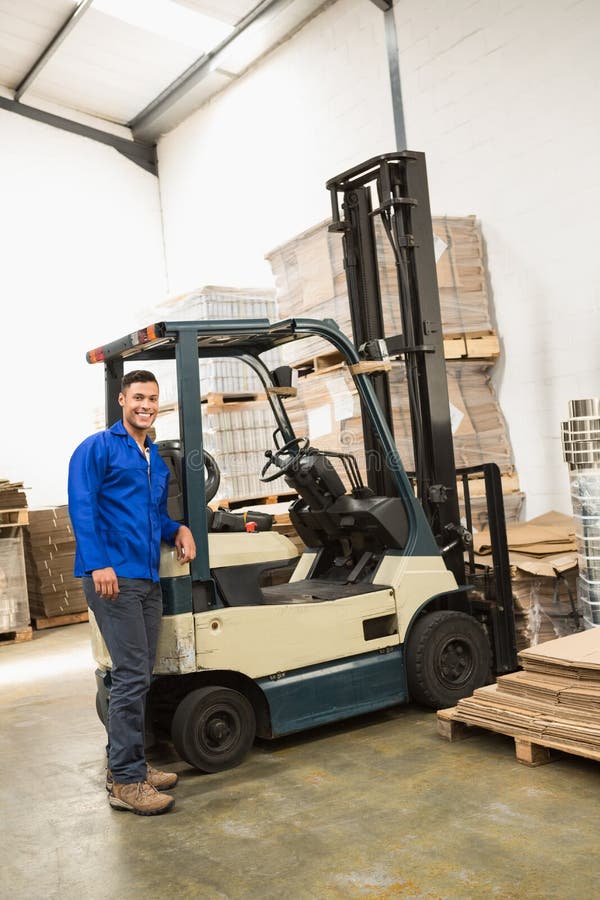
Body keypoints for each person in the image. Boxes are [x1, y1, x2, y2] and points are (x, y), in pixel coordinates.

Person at [68, 369, 196, 816]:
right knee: (130, 675)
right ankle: (126, 781)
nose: (146, 405)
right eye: (138, 397)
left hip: (146, 578)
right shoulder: (98, 448)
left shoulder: (152, 457)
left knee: (140, 673)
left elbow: (154, 516)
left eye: (153, 398)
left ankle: (129, 766)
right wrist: (98, 562)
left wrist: (178, 529)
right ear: (122, 400)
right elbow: (82, 505)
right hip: (112, 577)